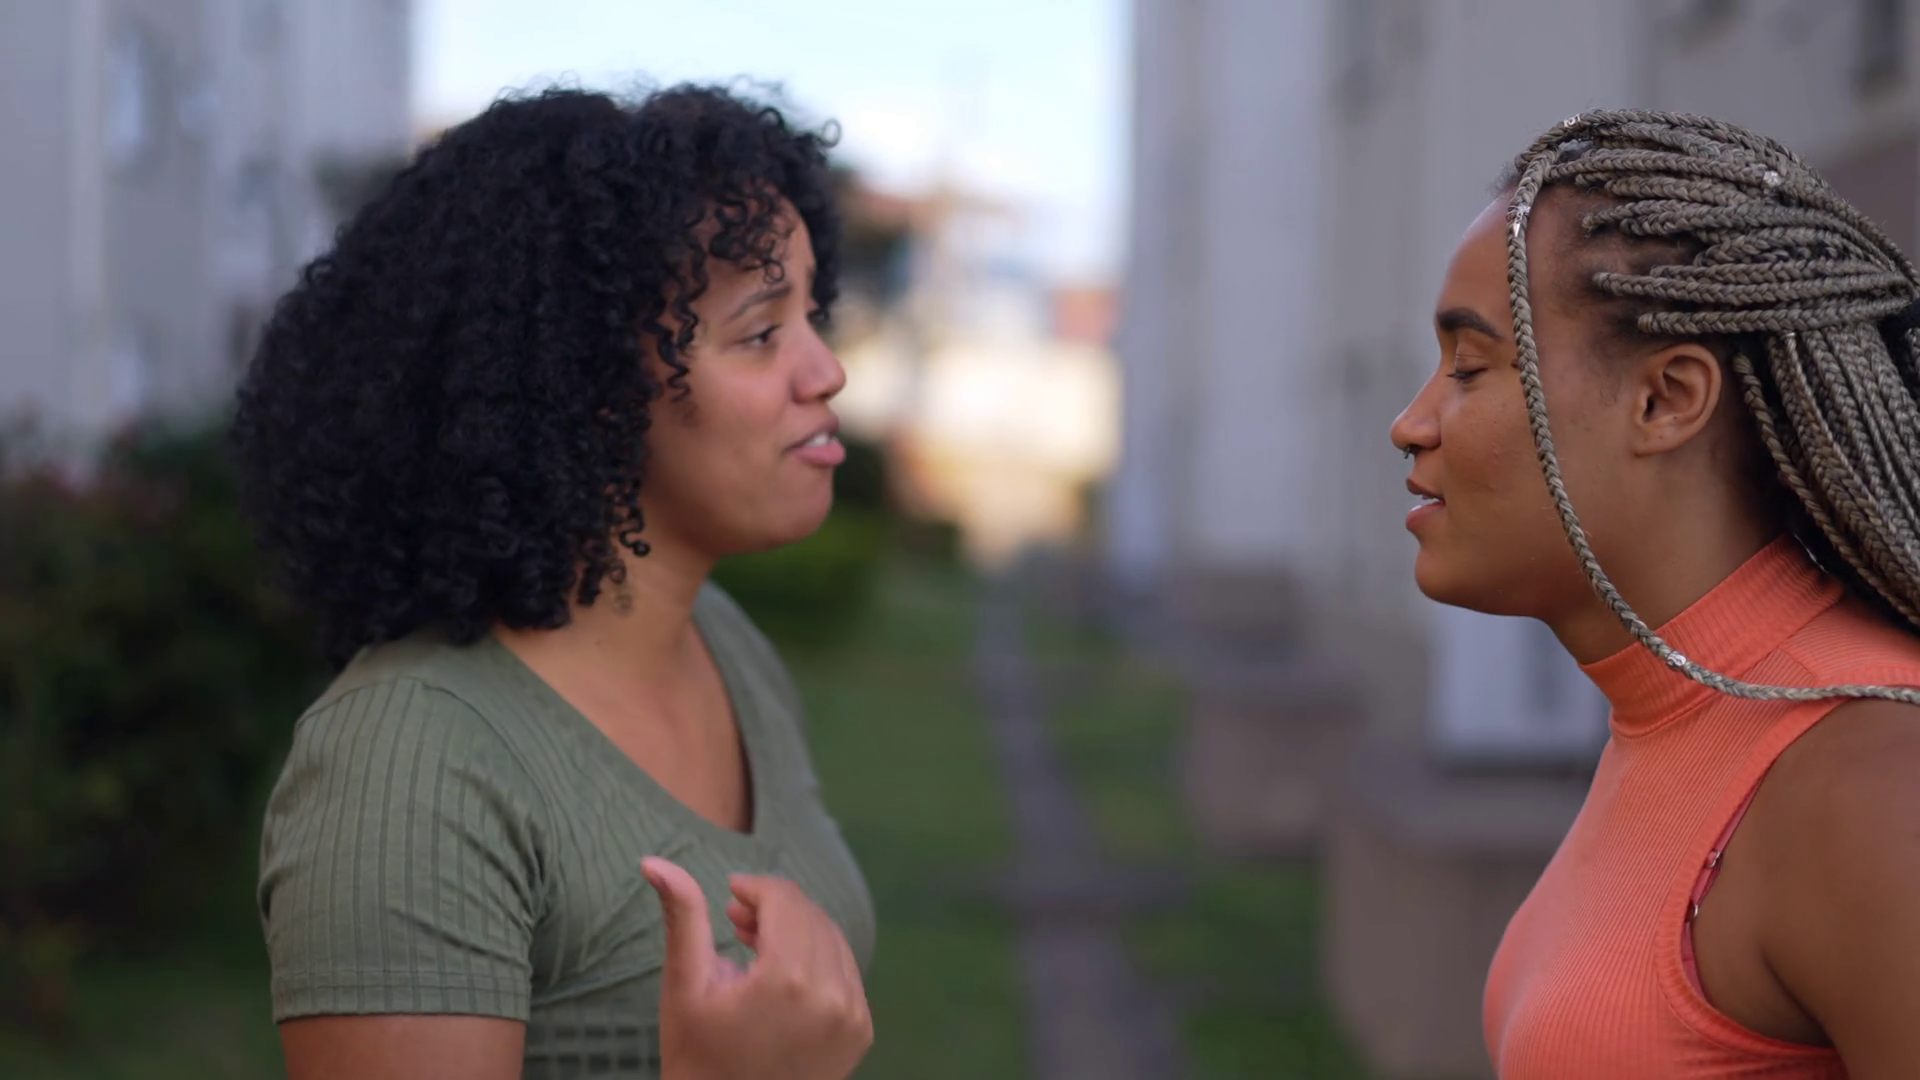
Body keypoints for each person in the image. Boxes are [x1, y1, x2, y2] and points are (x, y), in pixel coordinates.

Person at [233, 84, 875, 1080]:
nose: (826, 370)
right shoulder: (414, 761)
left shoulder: (726, 643)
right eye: (760, 333)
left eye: (813, 314)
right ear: (591, 393)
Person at [1391, 110, 1920, 1078]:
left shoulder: (1872, 779)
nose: (1412, 424)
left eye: (1470, 367)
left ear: (1666, 399)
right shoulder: (1675, 714)